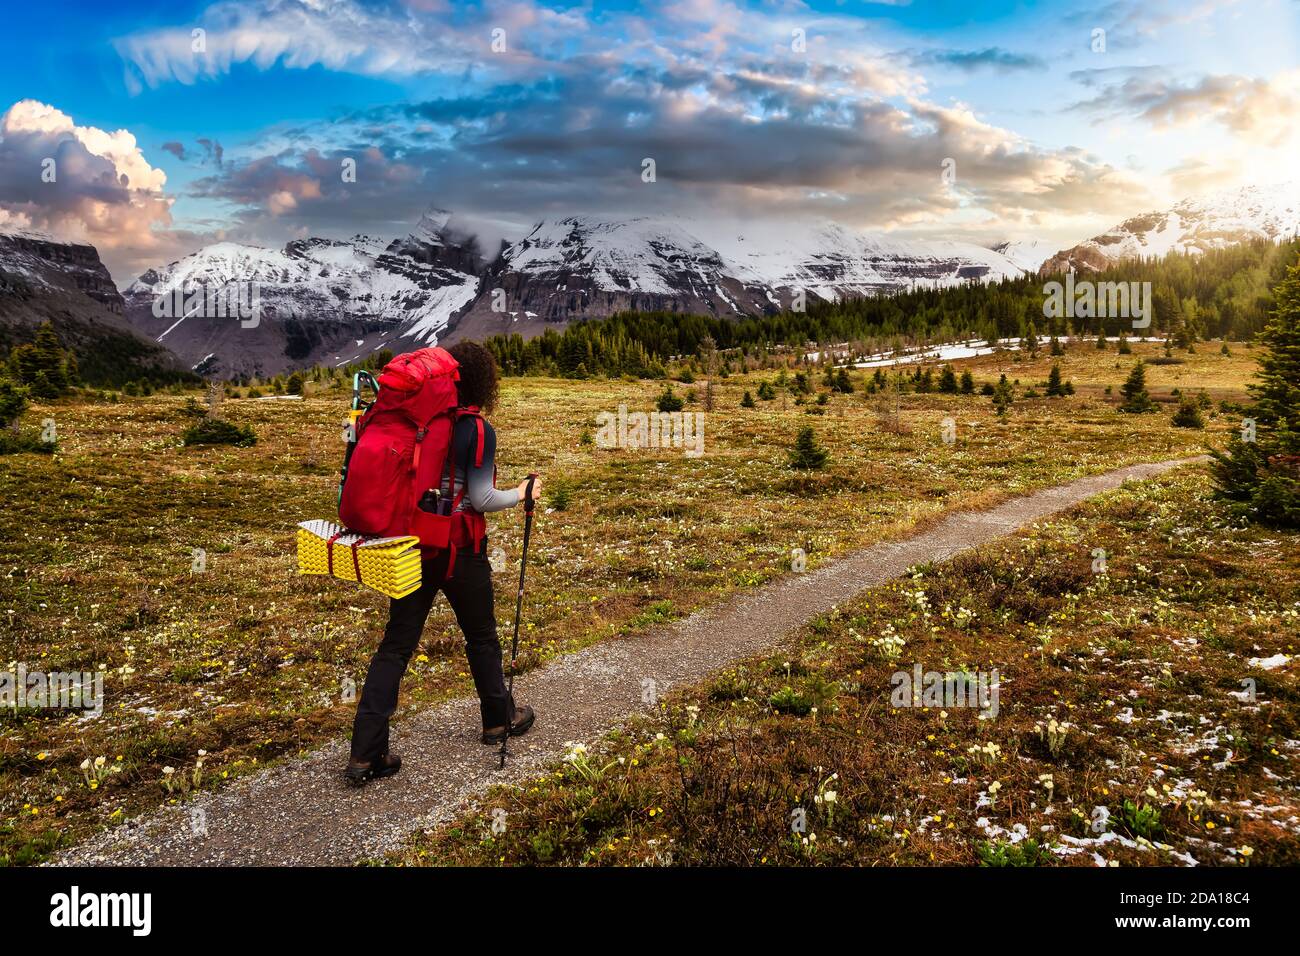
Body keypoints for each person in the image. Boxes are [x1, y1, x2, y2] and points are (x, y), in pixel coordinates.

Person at [345, 341, 541, 786]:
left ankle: (366, 751)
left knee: (396, 645)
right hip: (460, 549)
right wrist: (523, 493)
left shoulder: (420, 423)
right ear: (483, 381)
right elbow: (482, 499)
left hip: (414, 545)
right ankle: (498, 718)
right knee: (481, 637)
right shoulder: (476, 428)